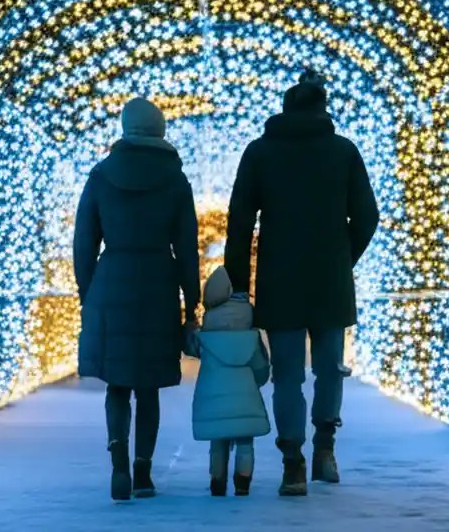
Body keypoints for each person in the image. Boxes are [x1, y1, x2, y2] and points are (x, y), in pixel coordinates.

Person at [224, 69, 379, 496]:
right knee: (330, 368)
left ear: (285, 109)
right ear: (321, 109)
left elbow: (240, 223)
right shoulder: (343, 151)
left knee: (287, 374)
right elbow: (367, 216)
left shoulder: (259, 153)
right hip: (330, 279)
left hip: (280, 279)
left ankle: (292, 462)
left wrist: (239, 281)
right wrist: (343, 258)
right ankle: (325, 448)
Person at [74, 97, 201, 501]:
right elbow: (186, 247)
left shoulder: (101, 175)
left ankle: (118, 466)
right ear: (160, 128)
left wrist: (88, 290)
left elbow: (83, 241)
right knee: (148, 388)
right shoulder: (175, 180)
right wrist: (191, 301)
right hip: (159, 285)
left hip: (111, 281)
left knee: (118, 384)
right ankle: (144, 472)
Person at [191, 266, 271, 497]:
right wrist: (258, 381)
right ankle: (243, 483)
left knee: (218, 442)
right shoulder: (250, 334)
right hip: (246, 397)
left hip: (214, 398)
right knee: (245, 442)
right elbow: (261, 367)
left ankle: (217, 481)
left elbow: (191, 349)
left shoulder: (206, 333)